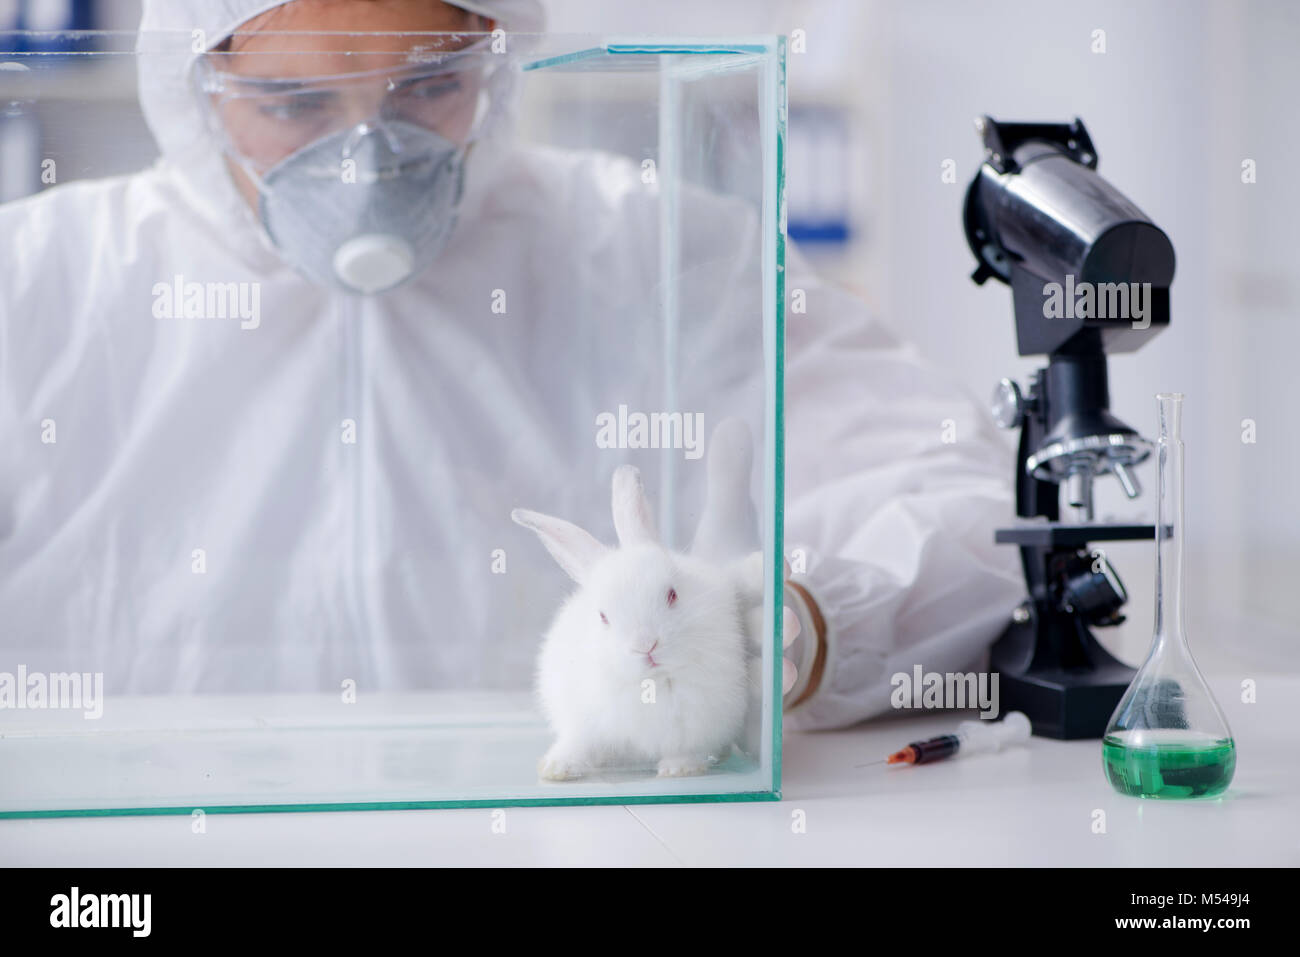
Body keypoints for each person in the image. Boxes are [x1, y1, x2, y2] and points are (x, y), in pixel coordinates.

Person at [0, 0, 1023, 732]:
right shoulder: (47, 283)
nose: (368, 156)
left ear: (499, 58)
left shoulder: (650, 247)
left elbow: (952, 489)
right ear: (193, 91)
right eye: (294, 104)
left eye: (430, 86)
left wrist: (800, 625)